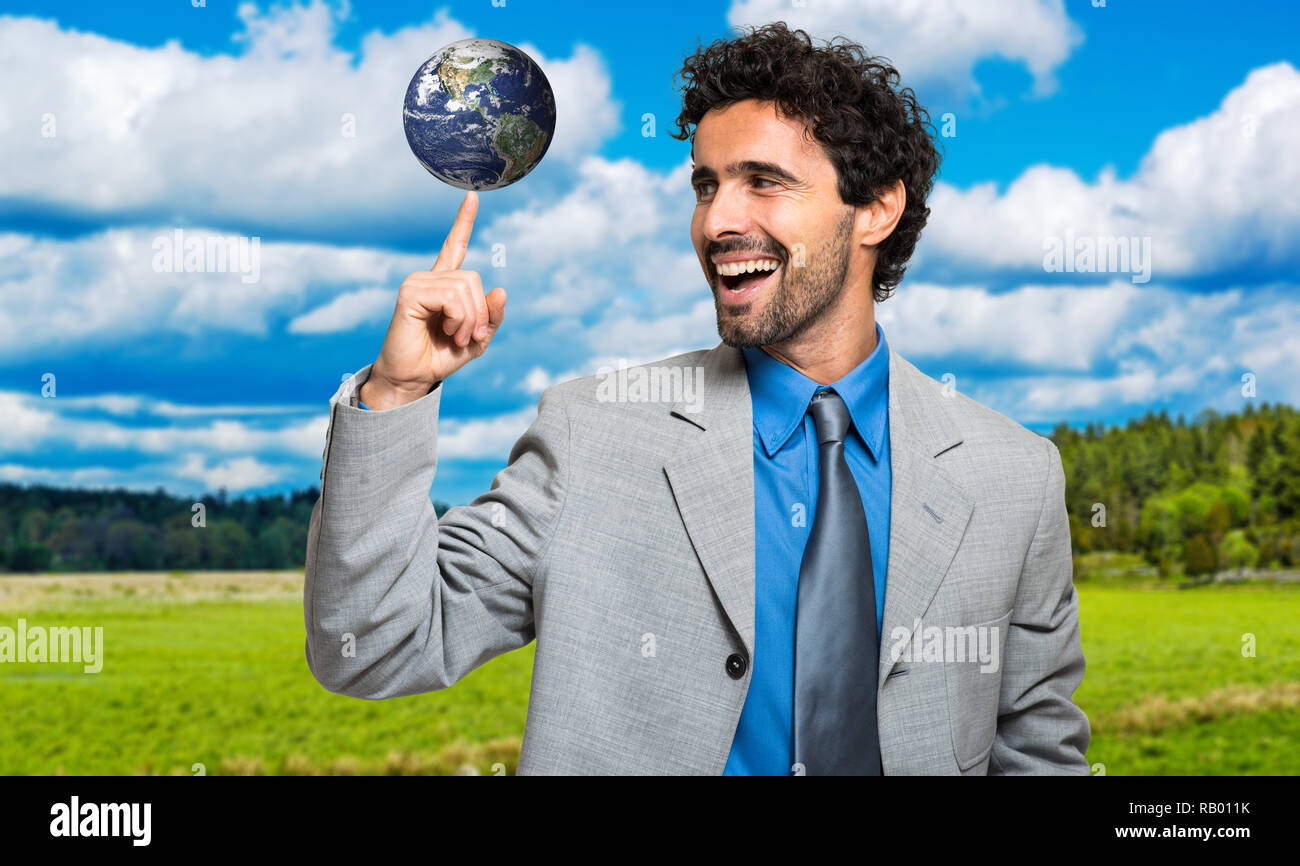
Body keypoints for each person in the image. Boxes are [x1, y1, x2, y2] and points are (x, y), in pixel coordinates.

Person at [304, 22, 1090, 775]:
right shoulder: (593, 435)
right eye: (706, 186)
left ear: (877, 208)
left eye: (764, 183)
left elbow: (1038, 750)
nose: (718, 220)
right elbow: (373, 642)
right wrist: (398, 391)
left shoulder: (1015, 476)